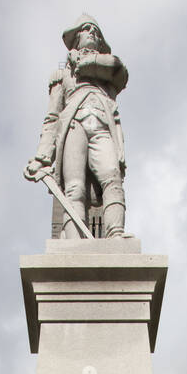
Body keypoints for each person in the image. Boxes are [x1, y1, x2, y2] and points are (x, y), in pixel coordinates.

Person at [24, 14, 128, 239]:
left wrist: (85, 64)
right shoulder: (62, 77)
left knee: (112, 177)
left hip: (101, 125)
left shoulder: (108, 74)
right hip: (73, 127)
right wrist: (42, 156)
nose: (92, 33)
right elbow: (52, 118)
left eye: (96, 31)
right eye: (86, 29)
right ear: (76, 36)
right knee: (74, 188)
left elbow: (119, 69)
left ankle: (115, 234)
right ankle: (73, 240)